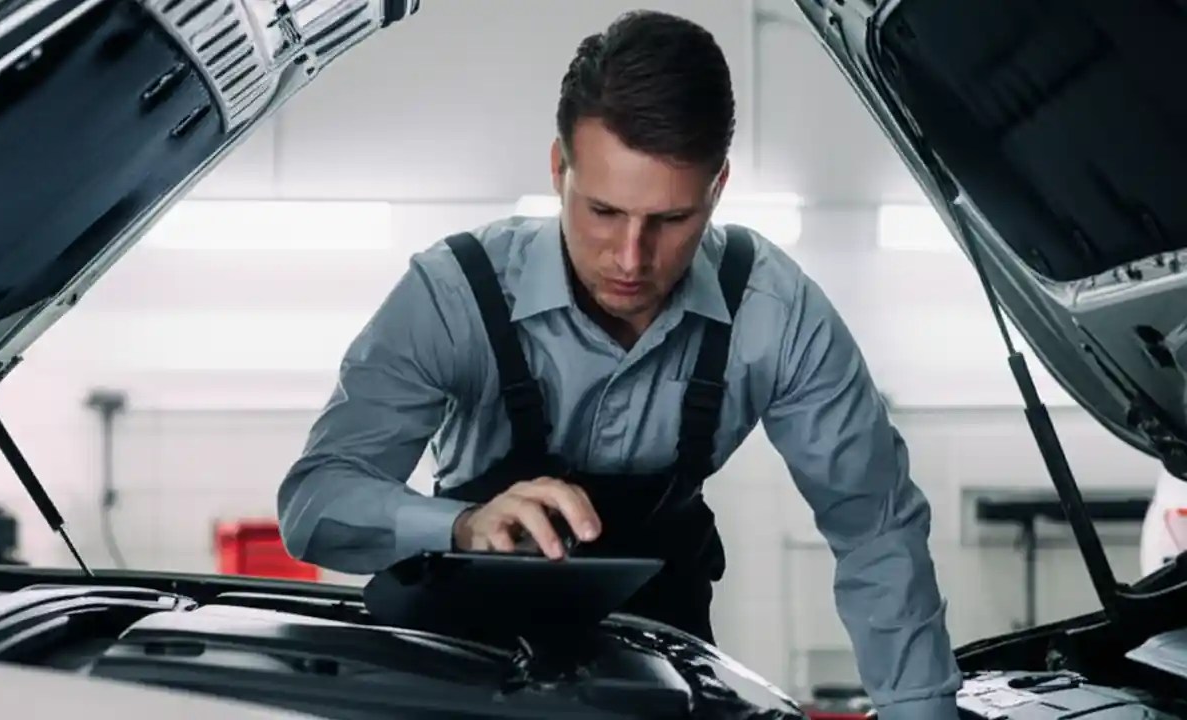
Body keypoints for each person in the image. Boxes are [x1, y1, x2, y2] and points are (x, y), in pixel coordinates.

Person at [278, 9, 960, 718]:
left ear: (717, 189)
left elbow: (877, 532)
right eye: (603, 211)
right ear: (557, 168)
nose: (631, 258)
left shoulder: (776, 313)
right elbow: (315, 503)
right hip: (466, 681)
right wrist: (459, 525)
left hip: (662, 680)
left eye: (670, 220)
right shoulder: (454, 295)